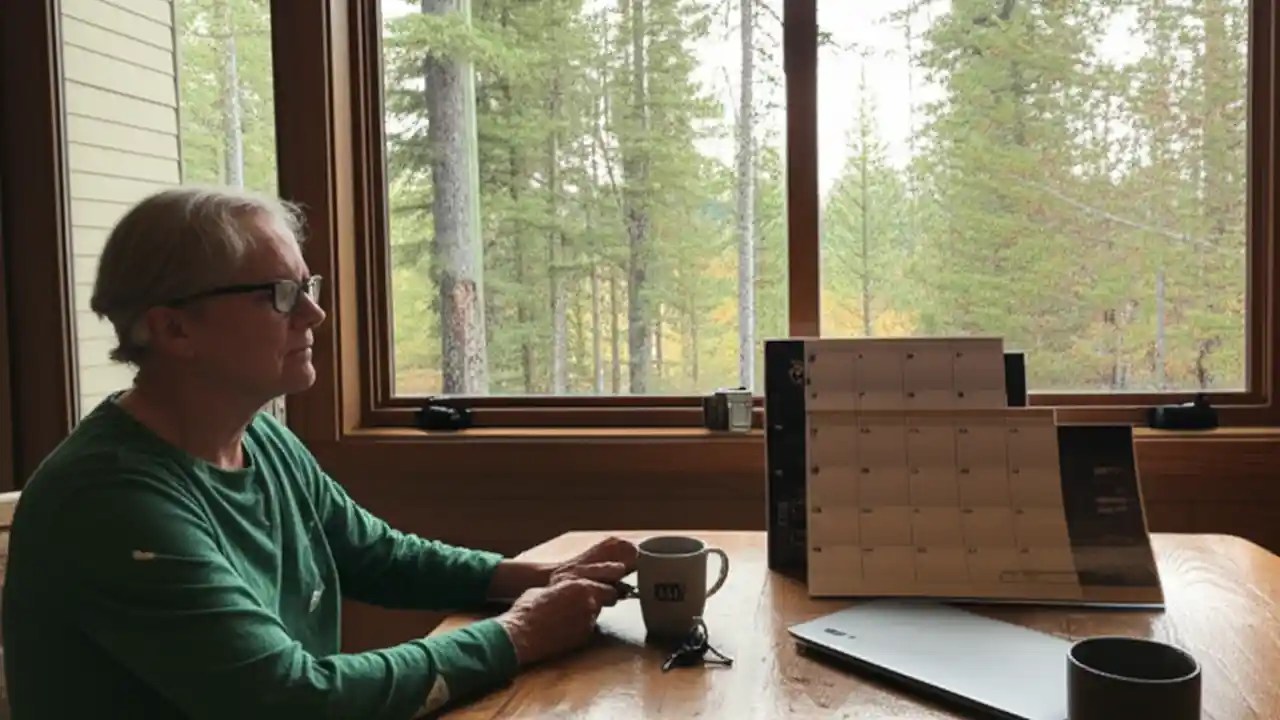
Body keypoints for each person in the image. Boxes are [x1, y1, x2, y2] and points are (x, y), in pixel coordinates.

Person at [0, 186, 638, 719]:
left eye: (308, 285)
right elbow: (289, 699)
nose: (314, 313)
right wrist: (518, 634)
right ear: (175, 328)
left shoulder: (259, 438)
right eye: (279, 294)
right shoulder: (111, 501)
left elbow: (374, 554)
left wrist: (535, 579)